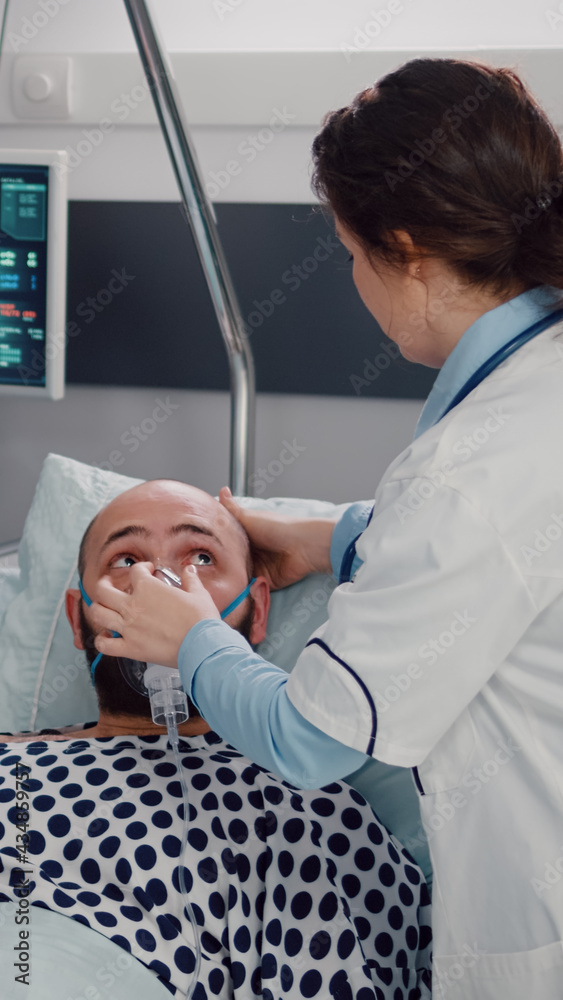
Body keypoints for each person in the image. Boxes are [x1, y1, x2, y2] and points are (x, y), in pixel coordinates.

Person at [88, 58, 563, 999]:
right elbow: (498, 555)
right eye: (128, 558)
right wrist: (335, 538)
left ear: (405, 249)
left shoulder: (469, 473)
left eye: (349, 254)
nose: (163, 570)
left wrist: (193, 643)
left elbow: (312, 745)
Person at [0, 480, 432, 1000]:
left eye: (201, 556)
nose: (161, 586)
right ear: (78, 616)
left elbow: (439, 567)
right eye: (125, 559)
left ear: (258, 610)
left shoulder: (308, 805)